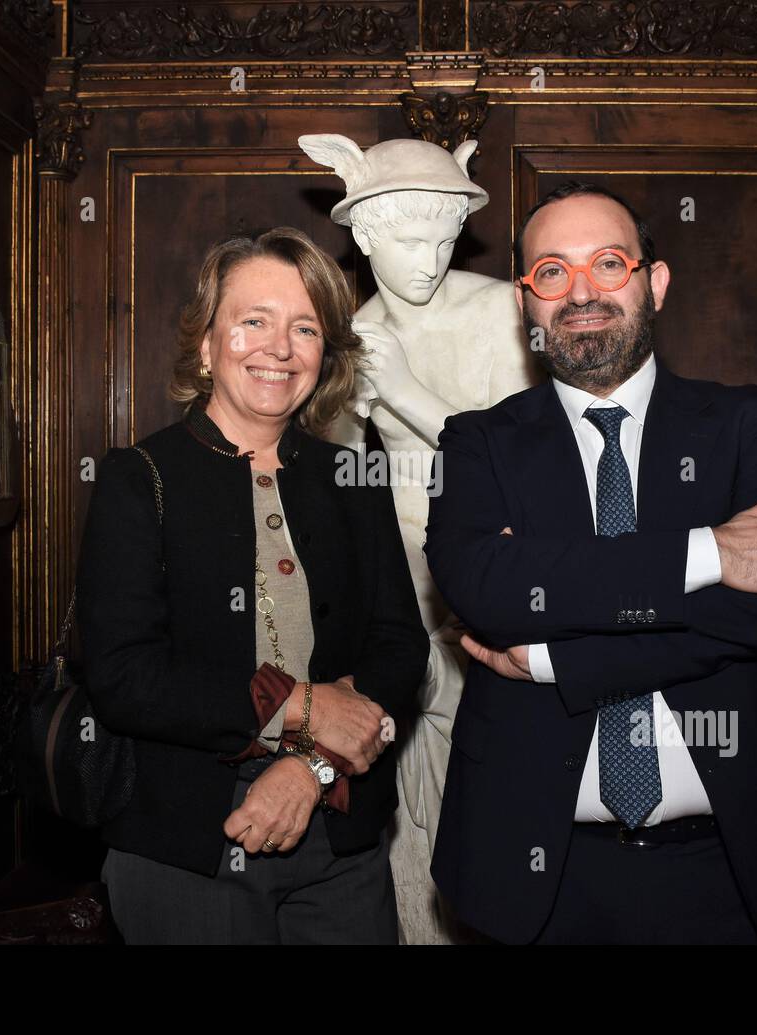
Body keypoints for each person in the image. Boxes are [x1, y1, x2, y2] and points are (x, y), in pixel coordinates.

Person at [426, 182, 757, 944]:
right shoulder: (477, 442)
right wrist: (709, 551)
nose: (581, 291)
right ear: (524, 301)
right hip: (537, 879)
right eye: (551, 272)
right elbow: (488, 589)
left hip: (736, 872)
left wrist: (557, 657)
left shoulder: (756, 423)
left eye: (609, 263)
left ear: (653, 282)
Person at [77, 227, 429, 944]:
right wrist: (299, 706)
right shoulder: (137, 480)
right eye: (254, 321)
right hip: (188, 847)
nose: (280, 346)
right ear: (207, 345)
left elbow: (401, 649)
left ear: (324, 355)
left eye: (305, 327)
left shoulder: (350, 478)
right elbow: (123, 677)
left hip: (341, 834)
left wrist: (309, 765)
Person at [298, 133, 540, 943]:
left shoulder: (502, 311)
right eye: (408, 240)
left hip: (496, 549)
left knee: (483, 742)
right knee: (396, 730)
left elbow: (522, 465)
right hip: (398, 563)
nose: (430, 258)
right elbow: (326, 481)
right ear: (362, 237)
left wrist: (400, 389)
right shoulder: (348, 333)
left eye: (443, 238)